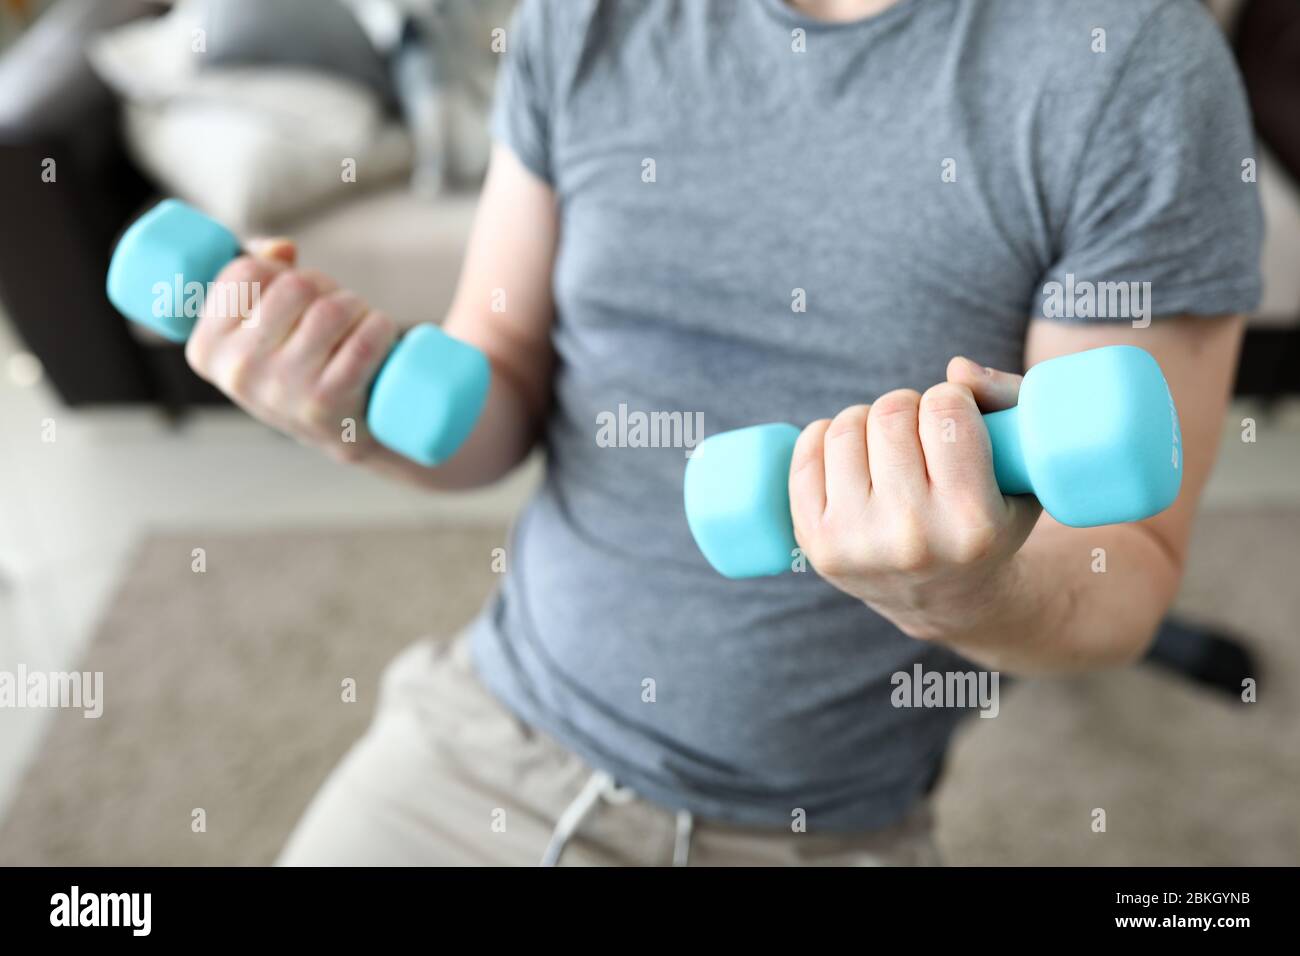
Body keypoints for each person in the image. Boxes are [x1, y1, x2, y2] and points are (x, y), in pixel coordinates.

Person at [183, 0, 1262, 865]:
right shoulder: (583, 21)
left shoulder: (1128, 62)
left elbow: (1121, 567)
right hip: (486, 734)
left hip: (819, 827)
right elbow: (498, 391)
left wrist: (967, 592)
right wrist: (352, 411)